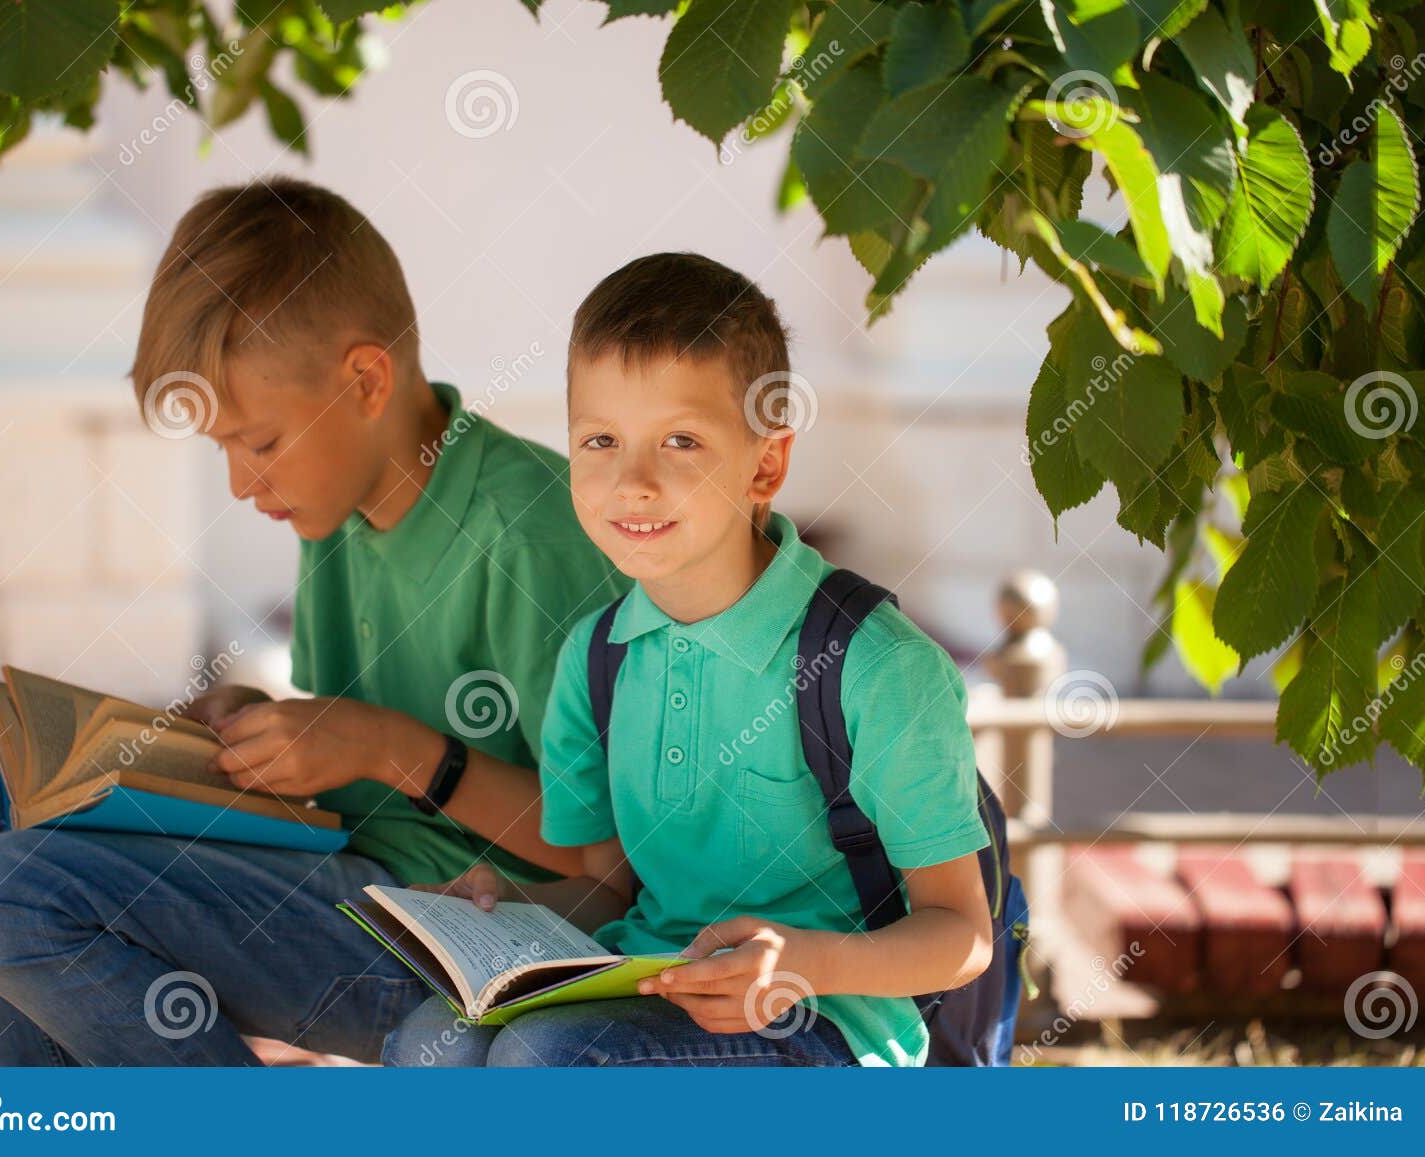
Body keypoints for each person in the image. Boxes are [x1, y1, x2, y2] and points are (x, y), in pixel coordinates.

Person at [0, 177, 626, 1065]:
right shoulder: (342, 506)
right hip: (350, 872)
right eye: (225, 450)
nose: (245, 485)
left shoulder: (530, 538)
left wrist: (391, 749)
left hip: (463, 930)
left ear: (366, 380)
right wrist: (260, 733)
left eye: (261, 442)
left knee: (12, 891)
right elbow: (352, 762)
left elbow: (615, 863)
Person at [384, 252, 992, 1067]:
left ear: (766, 464)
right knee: (432, 1041)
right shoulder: (595, 658)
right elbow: (611, 890)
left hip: (821, 1026)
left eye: (680, 440)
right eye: (600, 439)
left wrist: (801, 962)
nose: (631, 482)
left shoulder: (874, 666)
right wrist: (505, 906)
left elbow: (961, 936)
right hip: (644, 986)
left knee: (549, 1063)